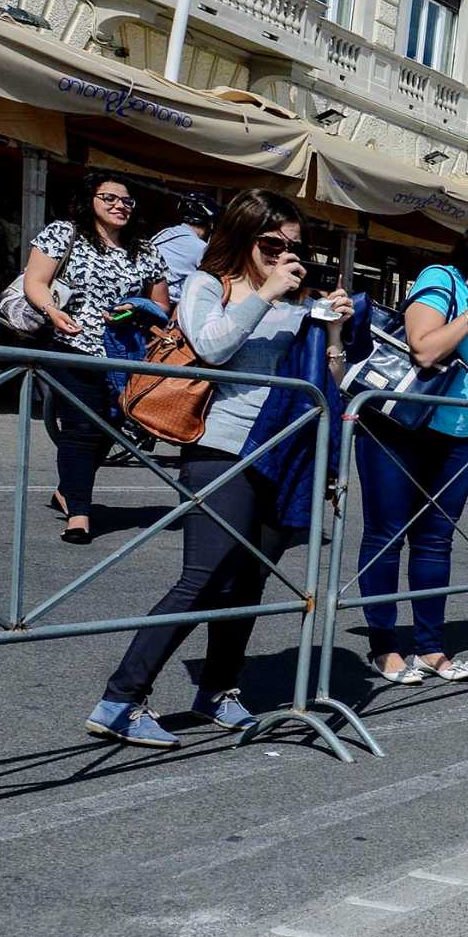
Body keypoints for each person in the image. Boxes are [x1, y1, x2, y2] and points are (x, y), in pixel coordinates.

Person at [85, 193, 351, 747]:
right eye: (272, 245)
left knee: (248, 581)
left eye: (293, 248)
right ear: (244, 236)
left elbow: (334, 379)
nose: (284, 257)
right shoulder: (211, 285)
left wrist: (331, 333)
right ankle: (120, 700)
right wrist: (267, 294)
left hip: (285, 451)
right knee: (203, 576)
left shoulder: (299, 299)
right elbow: (212, 348)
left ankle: (218, 690)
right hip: (221, 447)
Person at [356, 218, 468, 685]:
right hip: (401, 427)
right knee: (387, 535)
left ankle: (430, 646)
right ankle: (384, 645)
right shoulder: (445, 281)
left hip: (459, 438)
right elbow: (423, 349)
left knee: (437, 541)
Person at [22, 174, 171, 544]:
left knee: (109, 427)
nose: (120, 205)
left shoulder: (145, 250)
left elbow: (162, 306)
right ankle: (80, 514)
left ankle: (67, 490)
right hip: (69, 344)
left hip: (123, 353)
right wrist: (51, 311)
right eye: (109, 198)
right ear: (89, 200)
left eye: (127, 201)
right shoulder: (64, 233)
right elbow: (35, 280)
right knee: (82, 425)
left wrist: (135, 308)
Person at [145, 194, 212, 290]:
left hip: (147, 295)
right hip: (172, 302)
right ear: (210, 224)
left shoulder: (163, 234)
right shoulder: (202, 247)